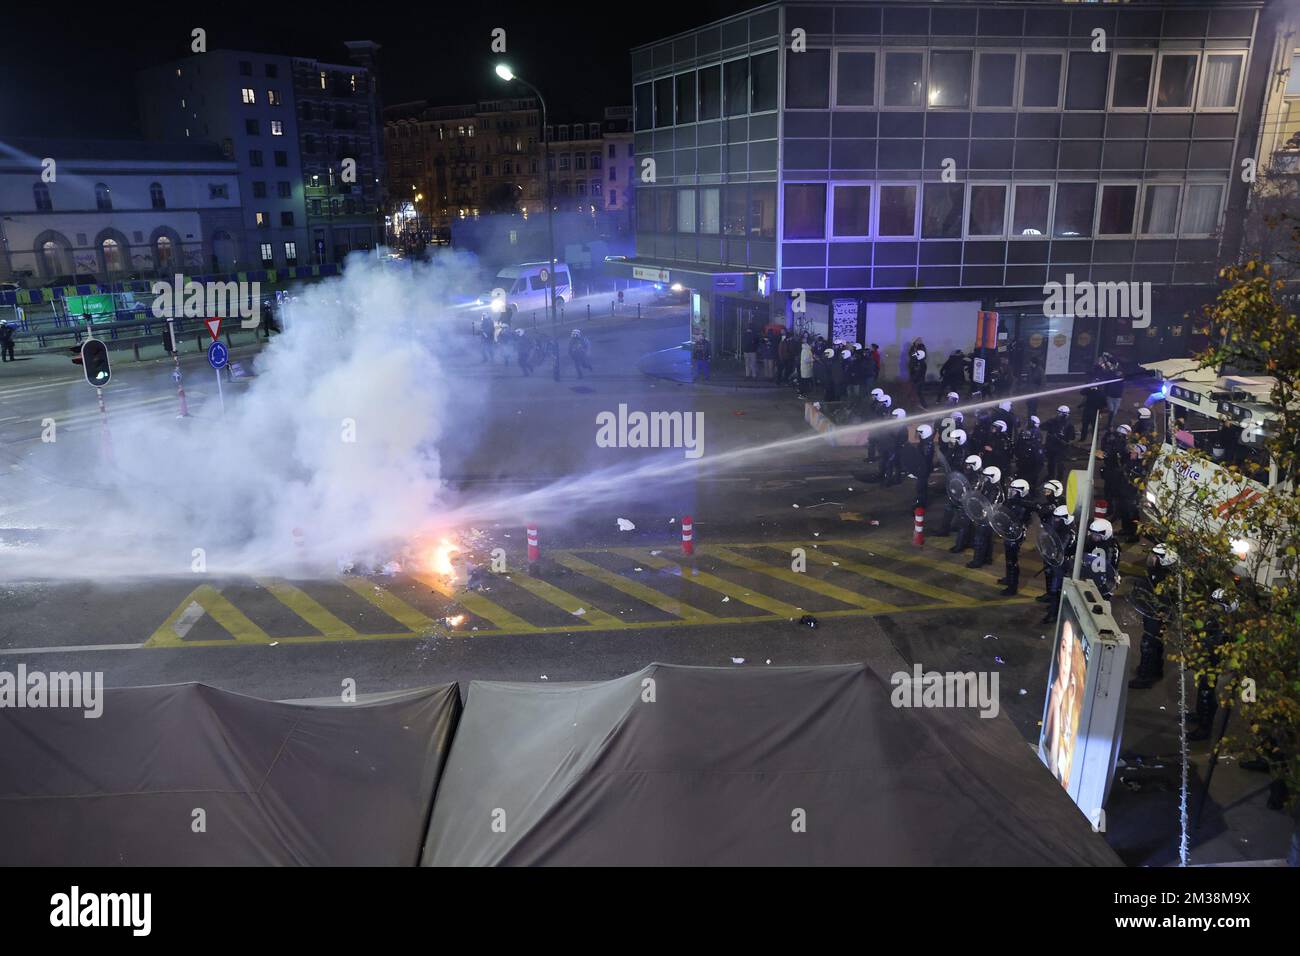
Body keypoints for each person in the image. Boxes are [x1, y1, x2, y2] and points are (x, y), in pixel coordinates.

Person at [1129, 544, 1177, 690]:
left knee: (1148, 643)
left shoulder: (1167, 578)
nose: (1152, 559)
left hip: (1158, 613)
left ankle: (1145, 677)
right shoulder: (1160, 572)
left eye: (1156, 557)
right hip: (1155, 610)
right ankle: (1156, 670)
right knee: (1156, 642)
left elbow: (1163, 598)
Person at [1039, 506, 1077, 622]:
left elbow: (1061, 548)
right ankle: (1052, 605)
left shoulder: (1068, 532)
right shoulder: (1061, 529)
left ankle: (1053, 614)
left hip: (1062, 564)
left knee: (1056, 588)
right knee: (1051, 583)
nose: (1055, 521)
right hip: (1055, 561)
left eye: (1057, 519)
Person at [999, 478, 1032, 596]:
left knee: (1012, 561)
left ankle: (1012, 587)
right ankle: (1009, 578)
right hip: (1009, 532)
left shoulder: (1023, 505)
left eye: (1014, 491)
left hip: (1016, 534)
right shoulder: (1014, 502)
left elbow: (1016, 518)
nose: (1012, 493)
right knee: (1008, 558)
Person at [967, 464, 1003, 569]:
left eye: (988, 476)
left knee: (980, 539)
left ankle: (977, 561)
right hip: (987, 517)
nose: (985, 478)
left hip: (987, 517)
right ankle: (987, 558)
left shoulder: (996, 490)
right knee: (987, 538)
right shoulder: (989, 486)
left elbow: (989, 504)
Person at [949, 454, 984, 555]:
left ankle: (960, 545)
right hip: (972, 503)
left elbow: (972, 489)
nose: (967, 467)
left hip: (971, 503)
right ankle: (969, 542)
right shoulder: (974, 473)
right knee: (969, 524)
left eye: (970, 465)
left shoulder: (978, 476)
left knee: (963, 525)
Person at [1082, 518, 1121, 600]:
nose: (1093, 537)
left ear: (1106, 534)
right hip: (1090, 572)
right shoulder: (1091, 540)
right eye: (1092, 534)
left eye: (1097, 535)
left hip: (1104, 578)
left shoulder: (1112, 549)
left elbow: (1110, 568)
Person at [1043, 405, 1075, 482]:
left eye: (1059, 413)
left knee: (1059, 464)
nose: (1058, 414)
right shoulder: (1053, 421)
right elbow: (1042, 426)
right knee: (1052, 463)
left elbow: (1071, 437)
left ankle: (1057, 478)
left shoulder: (1068, 424)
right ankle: (1052, 476)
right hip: (1053, 447)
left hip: (1059, 447)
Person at [1014, 416, 1045, 488]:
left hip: (1029, 461)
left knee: (1027, 478)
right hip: (1030, 461)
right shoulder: (1036, 433)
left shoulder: (1032, 434)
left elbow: (1020, 447)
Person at [880, 407, 908, 486]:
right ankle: (896, 479)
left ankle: (889, 481)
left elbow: (901, 441)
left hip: (896, 450)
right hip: (893, 449)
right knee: (896, 465)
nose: (893, 417)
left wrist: (894, 450)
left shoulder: (902, 428)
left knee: (892, 465)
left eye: (895, 416)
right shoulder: (897, 426)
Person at [912, 423, 936, 511]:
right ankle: (921, 501)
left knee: (921, 487)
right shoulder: (925, 442)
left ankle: (921, 504)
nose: (919, 435)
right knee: (922, 486)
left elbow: (923, 459)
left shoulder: (927, 445)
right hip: (924, 468)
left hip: (923, 469)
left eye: (920, 433)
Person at [907, 343, 928, 409]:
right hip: (919, 379)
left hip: (918, 380)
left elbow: (918, 373)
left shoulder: (920, 363)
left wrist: (913, 379)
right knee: (918, 393)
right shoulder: (921, 361)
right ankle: (922, 405)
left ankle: (920, 405)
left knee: (916, 392)